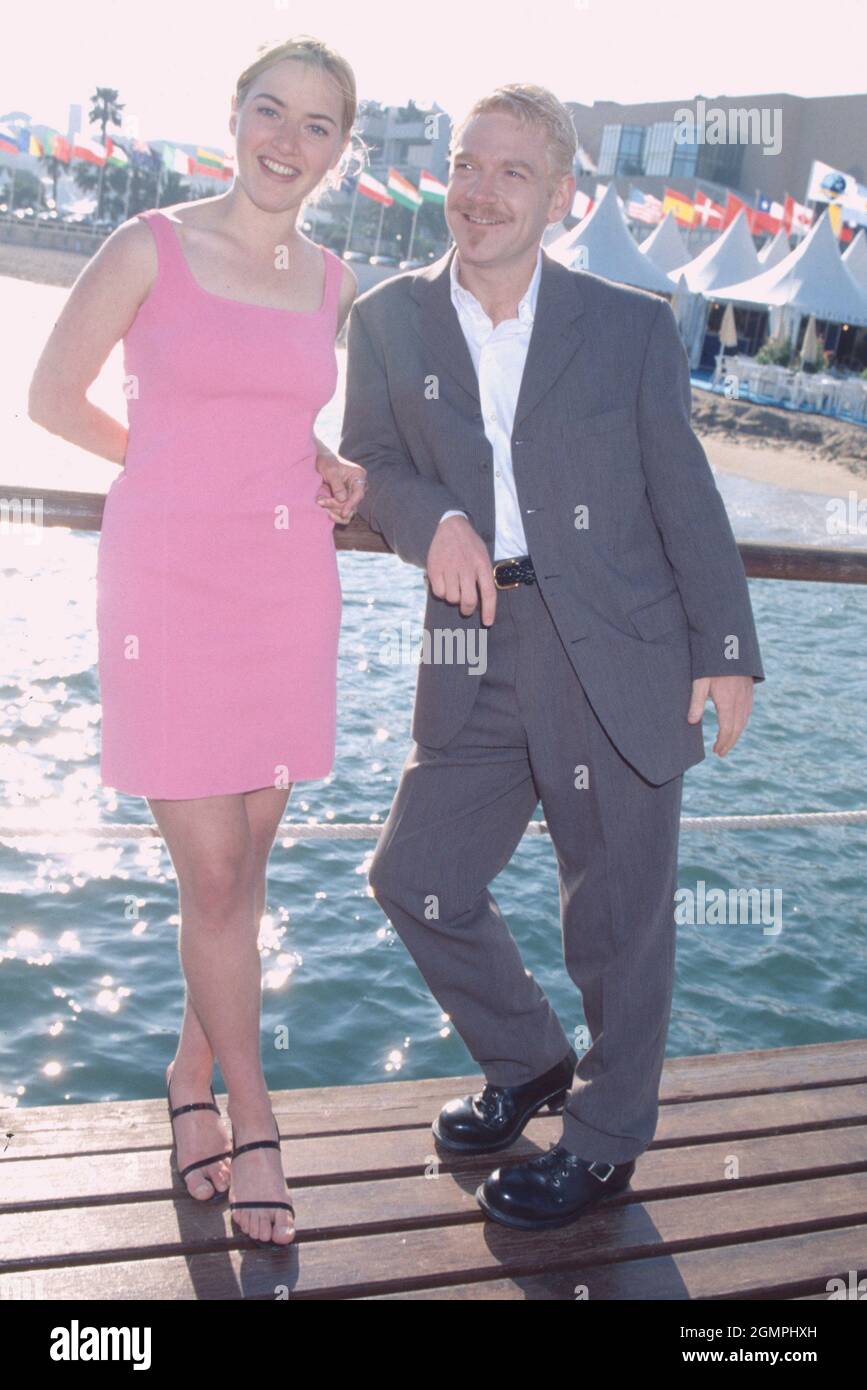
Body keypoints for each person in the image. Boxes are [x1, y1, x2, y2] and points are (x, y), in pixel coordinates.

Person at [337, 84, 764, 1231]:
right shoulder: (384, 319)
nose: (477, 191)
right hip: (470, 638)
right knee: (414, 875)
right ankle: (528, 1060)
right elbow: (370, 462)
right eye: (467, 165)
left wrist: (727, 647)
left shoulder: (627, 323)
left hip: (622, 646)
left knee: (617, 914)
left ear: (560, 195)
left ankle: (608, 1137)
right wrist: (433, 521)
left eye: (510, 172)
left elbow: (687, 492)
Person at [28, 35, 366, 1247]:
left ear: (340, 150)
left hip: (285, 590)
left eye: (318, 125)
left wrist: (319, 466)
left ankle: (185, 1076)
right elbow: (51, 399)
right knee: (215, 875)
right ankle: (254, 1110)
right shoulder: (149, 246)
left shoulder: (331, 280)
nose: (288, 139)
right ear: (234, 119)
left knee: (241, 870)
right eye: (270, 112)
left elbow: (276, 416)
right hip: (168, 589)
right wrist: (176, 476)